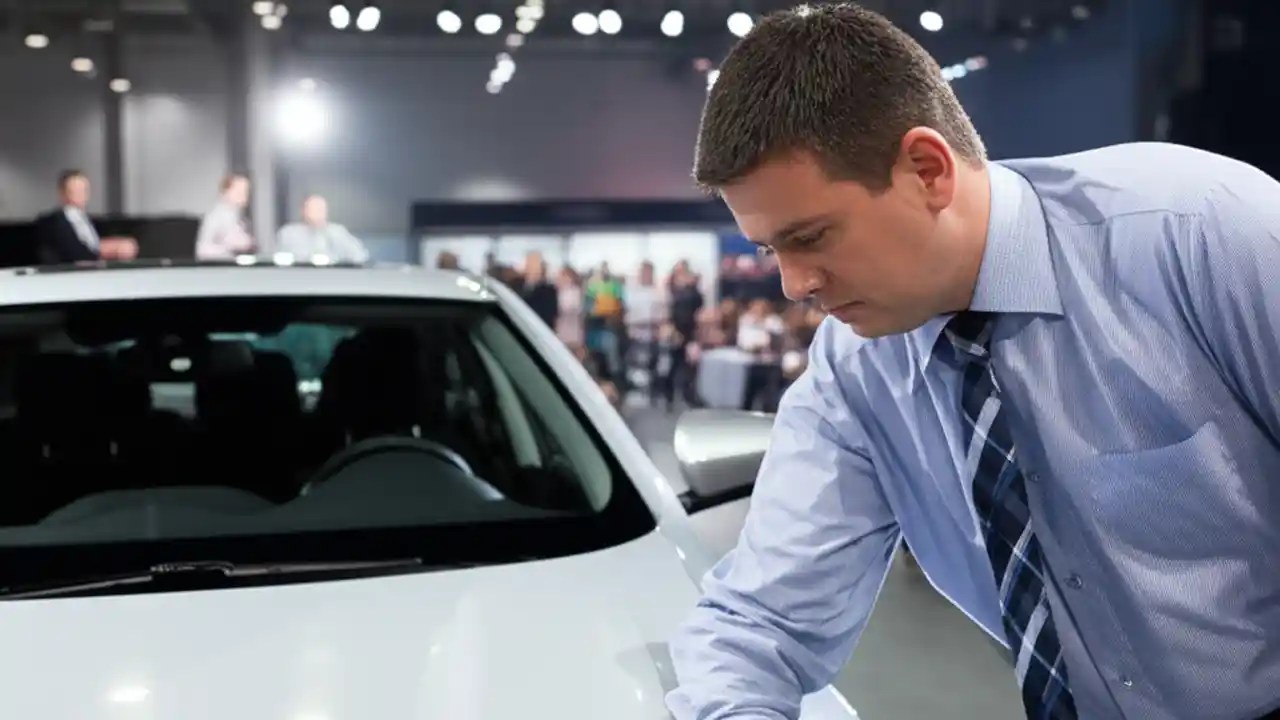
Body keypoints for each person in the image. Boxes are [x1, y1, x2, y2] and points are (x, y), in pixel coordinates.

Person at [666, 5, 1280, 720]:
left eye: (812, 236)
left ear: (926, 170)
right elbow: (759, 627)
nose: (794, 284)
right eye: (772, 250)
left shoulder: (1205, 236)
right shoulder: (858, 368)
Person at [34, 170, 137, 264]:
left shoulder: (87, 219)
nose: (82, 195)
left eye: (84, 190)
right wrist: (106, 251)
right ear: (63, 193)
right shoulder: (55, 222)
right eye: (76, 190)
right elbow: (74, 252)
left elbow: (93, 243)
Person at [276, 194, 369, 264]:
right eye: (312, 209)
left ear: (326, 211)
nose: (316, 213)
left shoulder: (338, 232)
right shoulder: (288, 233)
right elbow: (275, 259)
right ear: (304, 211)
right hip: (297, 278)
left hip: (332, 278)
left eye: (320, 209)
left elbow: (360, 256)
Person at [195, 174, 254, 260]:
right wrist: (228, 248)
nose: (244, 195)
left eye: (246, 191)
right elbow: (202, 249)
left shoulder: (237, 215)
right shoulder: (215, 216)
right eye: (239, 191)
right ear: (226, 191)